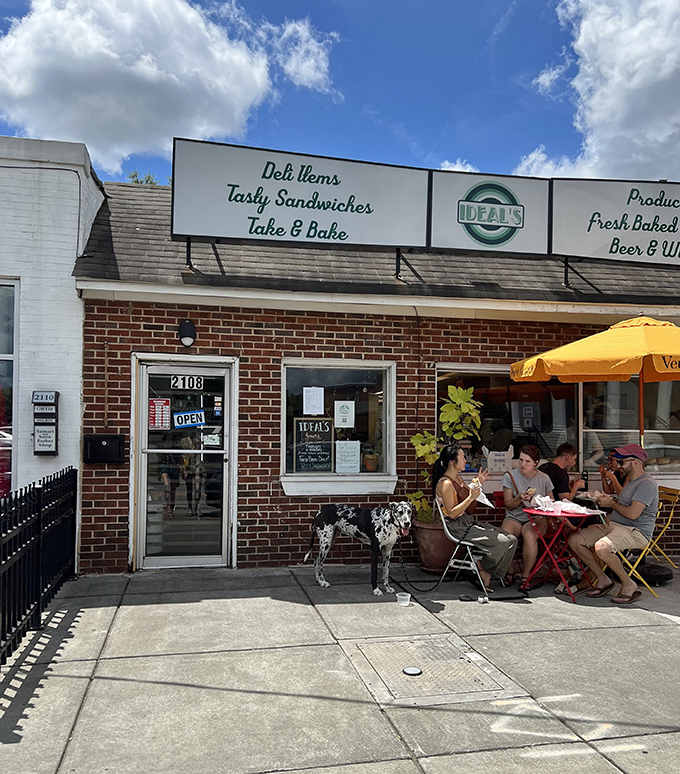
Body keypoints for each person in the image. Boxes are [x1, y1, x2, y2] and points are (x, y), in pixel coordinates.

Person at [568, 443, 659, 604]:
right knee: (575, 540)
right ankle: (603, 579)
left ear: (636, 462)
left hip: (635, 531)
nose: (619, 465)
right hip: (615, 526)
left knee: (602, 547)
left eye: (622, 462)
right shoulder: (631, 480)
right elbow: (622, 502)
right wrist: (608, 501)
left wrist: (611, 504)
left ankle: (629, 584)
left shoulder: (646, 484)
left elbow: (633, 513)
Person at [433, 444, 518, 594]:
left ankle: (485, 569)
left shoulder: (458, 478)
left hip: (467, 521)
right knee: (503, 542)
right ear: (452, 462)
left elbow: (468, 503)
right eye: (462, 457)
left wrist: (477, 485)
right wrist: (471, 497)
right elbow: (452, 513)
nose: (465, 460)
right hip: (457, 527)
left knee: (511, 539)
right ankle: (483, 569)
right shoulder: (445, 484)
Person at [501, 444, 554, 591]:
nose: (523, 464)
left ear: (536, 463)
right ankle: (510, 571)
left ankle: (526, 576)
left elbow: (551, 502)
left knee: (530, 535)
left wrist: (538, 502)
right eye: (521, 460)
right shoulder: (510, 476)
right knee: (505, 536)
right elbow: (508, 504)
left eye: (527, 461)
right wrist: (519, 497)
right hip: (515, 516)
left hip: (537, 517)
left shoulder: (544, 478)